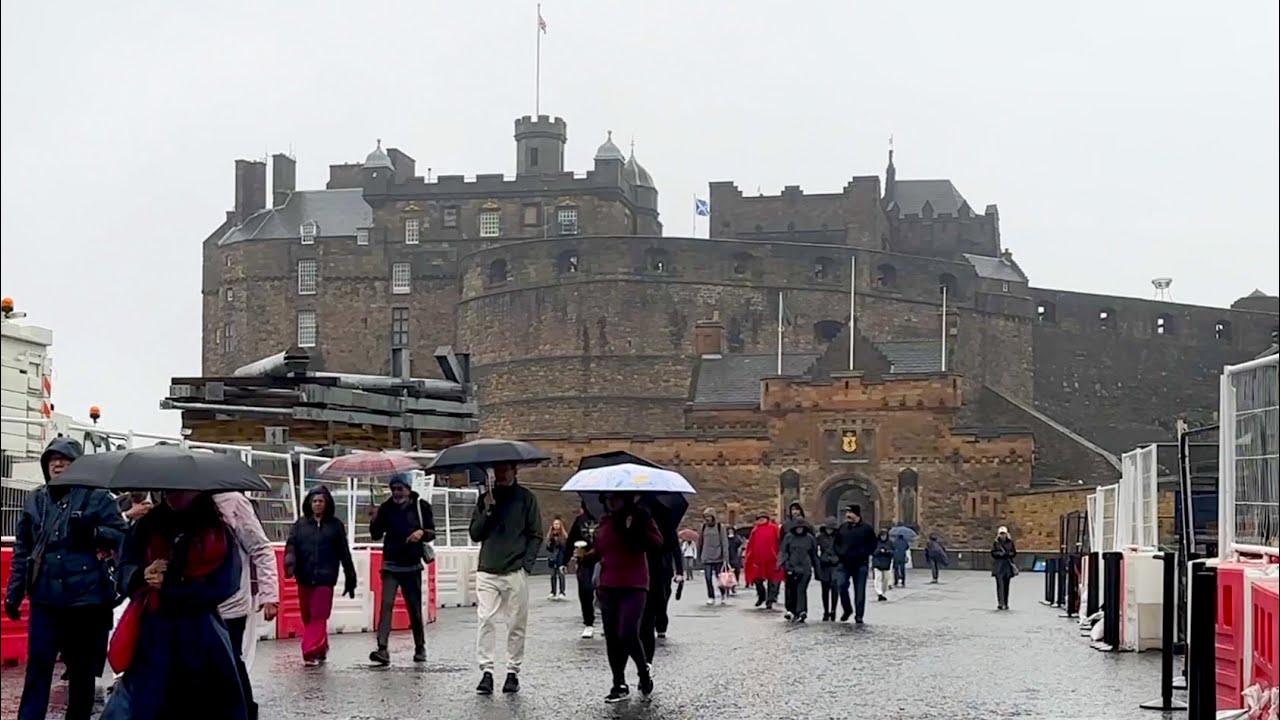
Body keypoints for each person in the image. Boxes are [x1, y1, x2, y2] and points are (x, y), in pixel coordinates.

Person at [6, 437, 127, 720]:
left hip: (86, 599)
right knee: (38, 668)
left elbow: (122, 535)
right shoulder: (36, 499)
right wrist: (15, 590)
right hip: (45, 596)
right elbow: (23, 547)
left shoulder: (97, 497)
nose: (58, 464)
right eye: (52, 459)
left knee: (82, 672)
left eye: (65, 459)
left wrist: (94, 533)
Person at [100, 489, 246, 720]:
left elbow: (226, 583)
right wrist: (141, 575)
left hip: (201, 631)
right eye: (167, 491)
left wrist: (174, 586)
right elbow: (124, 569)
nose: (172, 496)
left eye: (181, 491)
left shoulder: (216, 531)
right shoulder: (147, 526)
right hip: (154, 629)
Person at [470, 463, 542, 696]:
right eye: (496, 471)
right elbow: (475, 534)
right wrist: (487, 511)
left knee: (516, 623)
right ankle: (487, 672)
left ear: (514, 472)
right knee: (486, 619)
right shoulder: (485, 498)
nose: (500, 475)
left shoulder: (526, 498)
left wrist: (526, 566)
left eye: (505, 470)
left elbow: (535, 534)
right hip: (488, 569)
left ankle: (513, 671)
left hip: (515, 570)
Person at [588, 493, 664, 703]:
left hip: (634, 584)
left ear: (626, 499)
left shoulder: (641, 517)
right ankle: (618, 682)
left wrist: (635, 530)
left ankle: (643, 671)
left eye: (616, 498)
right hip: (607, 585)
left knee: (628, 632)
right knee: (612, 636)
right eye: (608, 499)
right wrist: (586, 557)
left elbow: (658, 543)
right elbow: (601, 550)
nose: (611, 502)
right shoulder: (605, 522)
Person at [214, 491, 279, 720]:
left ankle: (245, 711)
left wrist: (269, 595)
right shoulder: (176, 500)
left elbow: (261, 548)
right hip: (194, 601)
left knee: (230, 659)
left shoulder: (232, 501)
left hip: (232, 601)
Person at [284, 485, 357, 666]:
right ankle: (320, 647)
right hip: (304, 577)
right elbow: (291, 545)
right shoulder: (300, 525)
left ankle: (309, 652)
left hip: (325, 579)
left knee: (319, 616)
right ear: (309, 503)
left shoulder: (335, 526)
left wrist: (350, 576)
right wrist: (290, 561)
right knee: (308, 617)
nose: (317, 504)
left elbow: (344, 552)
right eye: (314, 501)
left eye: (321, 501)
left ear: (327, 504)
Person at [368, 474, 435, 666]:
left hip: (412, 565)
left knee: (414, 609)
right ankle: (382, 648)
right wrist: (374, 519)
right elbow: (376, 535)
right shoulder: (386, 508)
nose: (396, 493)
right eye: (393, 489)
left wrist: (421, 533)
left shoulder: (421, 507)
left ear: (408, 488)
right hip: (391, 564)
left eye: (400, 489)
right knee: (386, 605)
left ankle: (420, 647)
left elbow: (432, 532)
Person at [640, 499, 684, 661]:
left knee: (661, 597)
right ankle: (650, 625)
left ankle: (660, 624)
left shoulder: (665, 520)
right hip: (644, 565)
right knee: (649, 598)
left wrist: (679, 571)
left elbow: (674, 548)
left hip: (661, 566)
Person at [834, 504, 876, 623]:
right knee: (841, 585)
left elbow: (873, 544)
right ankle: (847, 609)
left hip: (860, 564)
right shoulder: (842, 528)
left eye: (850, 513)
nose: (847, 515)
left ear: (856, 514)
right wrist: (840, 553)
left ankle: (859, 615)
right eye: (847, 513)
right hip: (844, 563)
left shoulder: (866, 529)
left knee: (860, 591)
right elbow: (836, 543)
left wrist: (864, 553)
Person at [565, 502, 600, 638]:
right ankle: (588, 623)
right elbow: (571, 540)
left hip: (603, 560)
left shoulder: (606, 518)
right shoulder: (580, 520)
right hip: (584, 560)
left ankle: (608, 621)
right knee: (585, 590)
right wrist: (565, 560)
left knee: (605, 592)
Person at [777, 514, 819, 623]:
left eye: (801, 527)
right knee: (790, 589)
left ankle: (801, 611)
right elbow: (784, 551)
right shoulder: (789, 537)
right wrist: (780, 564)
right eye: (798, 527)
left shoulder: (810, 539)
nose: (799, 529)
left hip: (805, 568)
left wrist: (817, 569)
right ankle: (790, 609)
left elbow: (813, 554)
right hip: (791, 566)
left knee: (801, 589)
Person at [743, 513, 783, 610]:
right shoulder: (755, 530)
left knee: (772, 581)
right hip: (758, 559)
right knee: (757, 579)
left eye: (763, 518)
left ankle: (770, 600)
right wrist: (748, 557)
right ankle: (761, 596)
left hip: (772, 558)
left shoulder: (774, 528)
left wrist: (779, 555)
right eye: (759, 518)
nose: (761, 520)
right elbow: (751, 545)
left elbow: (779, 541)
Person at [696, 508, 729, 605]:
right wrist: (699, 556)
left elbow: (724, 543)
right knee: (708, 578)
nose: (707, 519)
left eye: (709, 516)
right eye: (706, 517)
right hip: (706, 556)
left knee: (720, 579)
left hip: (718, 557)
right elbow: (700, 543)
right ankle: (711, 596)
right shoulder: (703, 527)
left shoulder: (720, 527)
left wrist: (725, 558)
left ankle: (723, 595)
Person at [815, 518, 840, 621]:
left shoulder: (839, 537)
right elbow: (815, 549)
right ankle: (826, 611)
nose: (829, 530)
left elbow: (842, 549)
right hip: (824, 565)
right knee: (825, 590)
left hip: (836, 565)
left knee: (835, 589)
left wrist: (837, 558)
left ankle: (833, 610)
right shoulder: (820, 537)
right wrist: (820, 559)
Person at [991, 526, 1018, 610]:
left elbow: (1014, 552)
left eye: (1004, 534)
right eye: (1001, 534)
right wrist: (1000, 554)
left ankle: (1006, 602)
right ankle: (1000, 602)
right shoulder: (996, 543)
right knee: (1000, 585)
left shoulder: (1010, 542)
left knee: (1006, 585)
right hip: (999, 566)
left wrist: (1008, 554)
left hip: (1007, 566)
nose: (1002, 535)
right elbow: (993, 553)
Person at [545, 517, 569, 600]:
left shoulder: (564, 536)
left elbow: (565, 548)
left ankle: (562, 592)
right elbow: (547, 547)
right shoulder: (550, 535)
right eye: (555, 524)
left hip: (560, 558)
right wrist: (551, 542)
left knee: (561, 575)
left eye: (558, 524)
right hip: (552, 558)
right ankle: (553, 592)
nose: (556, 525)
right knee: (553, 575)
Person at [871, 529, 894, 601]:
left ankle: (883, 592)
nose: (883, 537)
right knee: (878, 578)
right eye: (882, 535)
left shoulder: (890, 543)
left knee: (886, 579)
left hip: (886, 563)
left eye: (884, 535)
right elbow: (872, 552)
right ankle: (879, 593)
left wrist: (887, 551)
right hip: (877, 563)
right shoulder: (875, 542)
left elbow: (893, 552)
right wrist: (879, 551)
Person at [725, 526, 743, 593]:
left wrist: (739, 552)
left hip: (735, 557)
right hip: (727, 557)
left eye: (731, 530)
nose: (730, 532)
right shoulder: (725, 538)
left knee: (736, 572)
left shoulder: (737, 538)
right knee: (727, 573)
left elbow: (741, 545)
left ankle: (733, 586)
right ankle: (727, 587)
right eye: (729, 531)